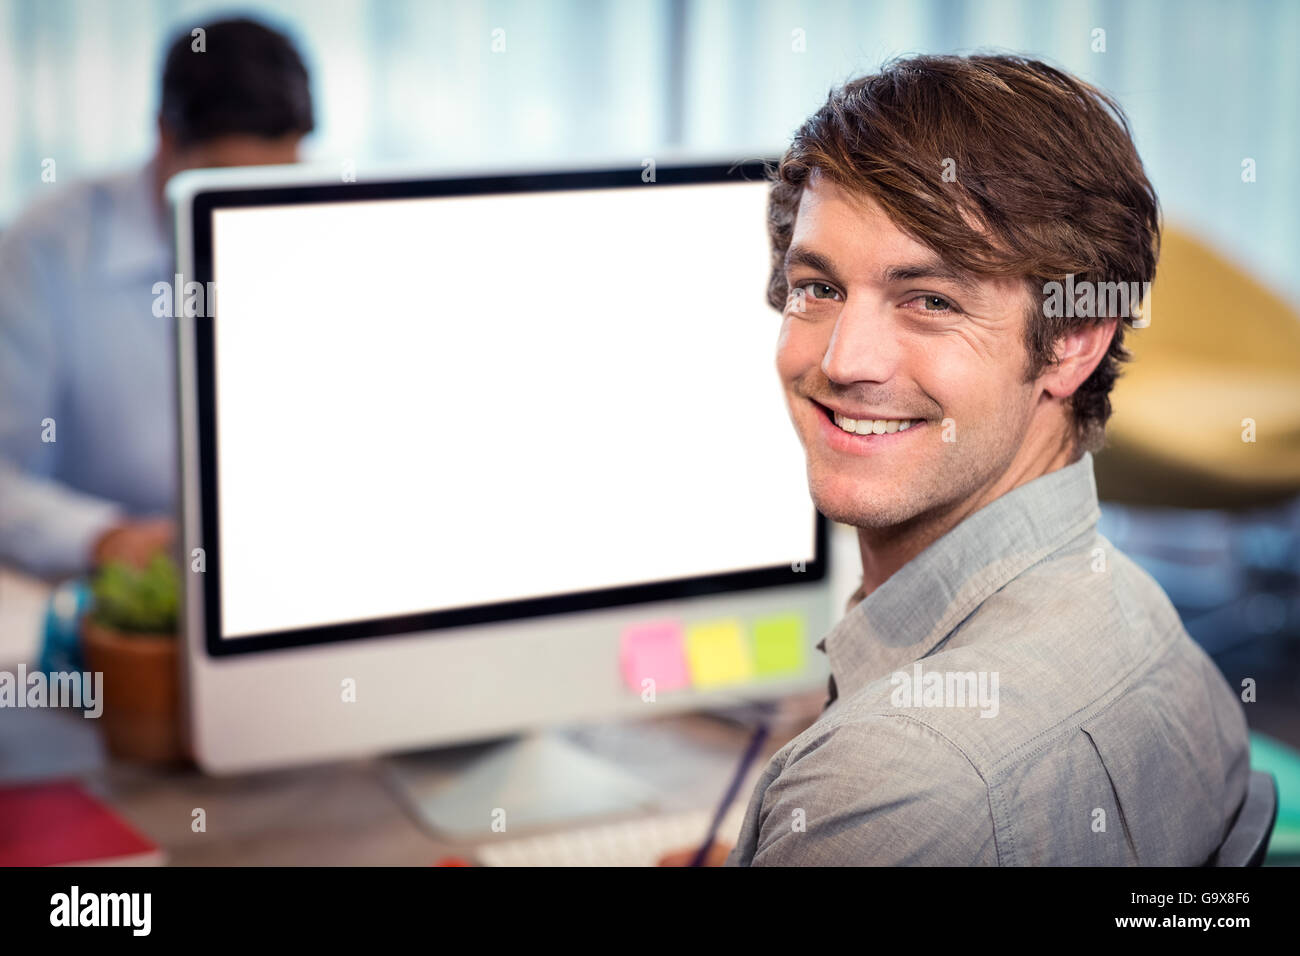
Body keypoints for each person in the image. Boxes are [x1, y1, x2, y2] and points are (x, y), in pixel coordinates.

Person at [663, 54, 1249, 866]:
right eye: (819, 288)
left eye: (931, 301)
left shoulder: (886, 785)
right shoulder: (1158, 630)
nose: (844, 361)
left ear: (1075, 339)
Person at [0, 17, 314, 577]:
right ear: (166, 137)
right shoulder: (44, 249)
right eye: (225, 182)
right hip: (110, 592)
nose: (250, 209)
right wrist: (107, 538)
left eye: (275, 181)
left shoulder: (313, 233)